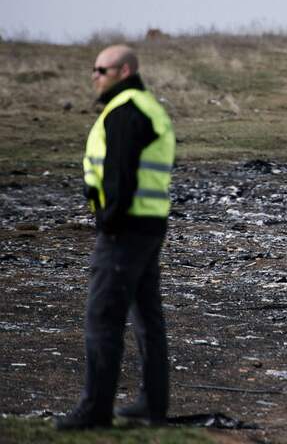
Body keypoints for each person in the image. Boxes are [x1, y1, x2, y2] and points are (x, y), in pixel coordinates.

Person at [56, 45, 175, 430]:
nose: (94, 75)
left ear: (123, 71)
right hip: (149, 225)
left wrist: (108, 221)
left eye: (101, 69)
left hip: (125, 230)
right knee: (146, 318)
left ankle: (95, 410)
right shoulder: (145, 105)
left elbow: (120, 174)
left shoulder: (126, 110)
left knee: (102, 316)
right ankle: (153, 404)